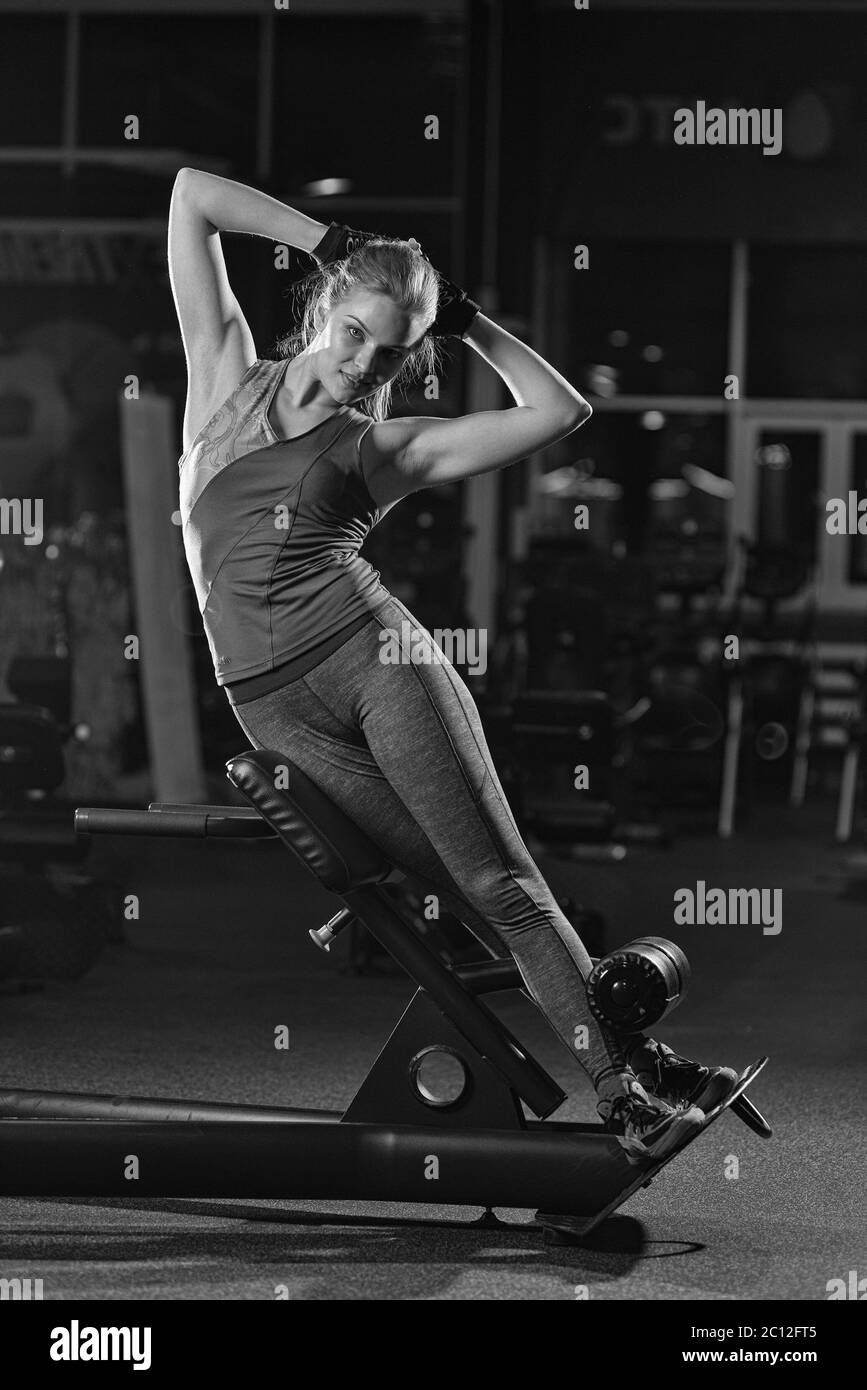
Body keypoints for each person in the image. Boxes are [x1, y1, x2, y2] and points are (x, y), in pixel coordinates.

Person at [167, 169, 736, 1164]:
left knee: (502, 885)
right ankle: (647, 1055)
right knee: (473, 898)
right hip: (274, 711)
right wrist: (325, 235)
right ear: (323, 303)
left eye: (387, 353)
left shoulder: (384, 446)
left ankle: (623, 1097)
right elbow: (189, 196)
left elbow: (558, 413)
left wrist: (467, 325)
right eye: (351, 333)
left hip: (373, 661)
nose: (359, 365)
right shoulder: (223, 374)